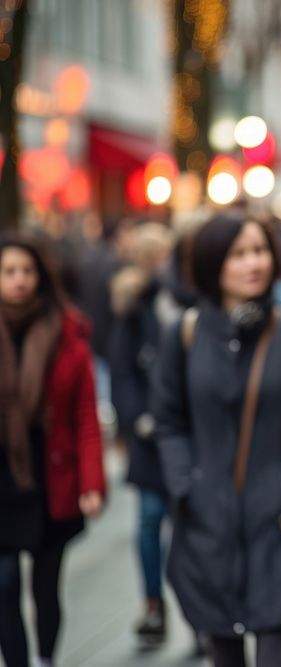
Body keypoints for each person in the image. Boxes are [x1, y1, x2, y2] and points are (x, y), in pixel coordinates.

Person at [152, 214, 281, 667]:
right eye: (238, 254)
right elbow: (168, 418)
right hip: (206, 511)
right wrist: (184, 482)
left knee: (272, 629)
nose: (254, 263)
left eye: (260, 250)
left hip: (277, 510)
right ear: (214, 264)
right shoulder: (186, 333)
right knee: (220, 634)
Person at [0, 234, 106, 667]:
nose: (19, 280)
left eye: (27, 271)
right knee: (4, 584)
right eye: (8, 272)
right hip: (2, 474)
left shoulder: (66, 332)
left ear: (41, 277)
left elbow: (85, 416)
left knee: (46, 587)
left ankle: (45, 657)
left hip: (51, 475)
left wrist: (92, 482)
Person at [108, 222, 176, 647]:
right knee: (152, 519)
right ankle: (153, 601)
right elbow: (122, 370)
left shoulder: (186, 300)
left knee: (180, 525)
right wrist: (137, 420)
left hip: (183, 435)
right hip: (151, 439)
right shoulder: (135, 307)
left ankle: (186, 602)